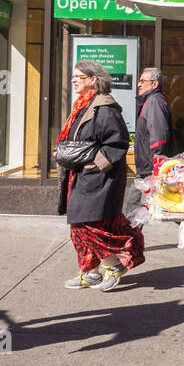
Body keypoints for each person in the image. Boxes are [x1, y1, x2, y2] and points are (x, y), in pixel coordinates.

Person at [59, 60, 146, 291]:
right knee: (79, 225)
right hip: (82, 175)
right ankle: (90, 272)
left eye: (79, 76)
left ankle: (113, 263)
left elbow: (118, 143)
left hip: (99, 177)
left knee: (83, 224)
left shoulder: (105, 108)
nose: (73, 80)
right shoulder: (83, 105)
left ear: (93, 80)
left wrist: (95, 164)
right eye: (74, 76)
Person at [133, 67, 175, 175]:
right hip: (147, 169)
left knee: (135, 192)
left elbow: (159, 139)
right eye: (139, 81)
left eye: (143, 81)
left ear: (154, 84)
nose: (139, 84)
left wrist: (156, 168)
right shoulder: (151, 101)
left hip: (150, 171)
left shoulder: (154, 101)